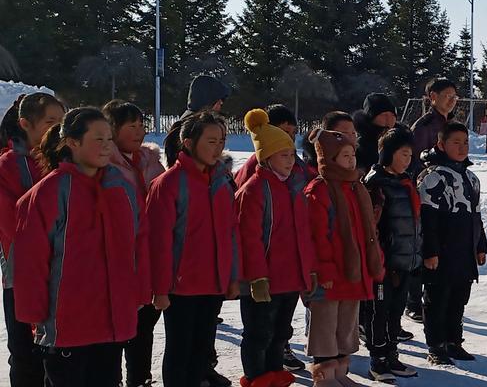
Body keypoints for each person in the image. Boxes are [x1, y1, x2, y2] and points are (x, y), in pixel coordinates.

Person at [14, 107, 150, 387]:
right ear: (72, 142)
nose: (106, 146)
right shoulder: (49, 193)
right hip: (68, 324)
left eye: (109, 139)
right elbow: (30, 262)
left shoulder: (122, 188)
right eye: (98, 139)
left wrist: (139, 292)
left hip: (112, 322)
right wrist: (35, 316)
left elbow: (139, 244)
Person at [148, 112, 241, 387]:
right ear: (188, 143)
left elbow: (231, 232)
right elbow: (158, 241)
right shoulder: (168, 184)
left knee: (202, 353)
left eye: (221, 141)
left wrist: (232, 276)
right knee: (180, 352)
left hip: (213, 282)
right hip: (180, 286)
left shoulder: (222, 182)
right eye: (211, 141)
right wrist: (160, 289)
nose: (218, 148)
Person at [235, 109, 317, 387]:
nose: (290, 161)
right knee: (259, 332)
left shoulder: (295, 187)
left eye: (292, 155)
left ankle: (274, 373)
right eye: (283, 155)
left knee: (281, 332)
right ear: (266, 157)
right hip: (265, 278)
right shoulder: (255, 189)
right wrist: (257, 277)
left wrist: (309, 270)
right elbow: (250, 238)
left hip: (290, 277)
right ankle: (257, 377)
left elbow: (303, 234)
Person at [304, 126, 383, 386]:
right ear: (328, 158)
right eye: (345, 156)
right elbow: (317, 236)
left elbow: (369, 230)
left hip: (353, 272)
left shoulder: (355, 187)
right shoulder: (320, 189)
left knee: (346, 325)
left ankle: (340, 372)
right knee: (325, 325)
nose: (351, 160)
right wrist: (323, 269)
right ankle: (323, 375)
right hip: (331, 274)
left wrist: (374, 259)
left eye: (352, 155)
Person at [102, 100, 168, 387]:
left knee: (144, 328)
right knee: (116, 331)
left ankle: (140, 379)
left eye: (142, 125)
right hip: (121, 260)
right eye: (132, 126)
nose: (139, 132)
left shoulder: (151, 161)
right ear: (112, 129)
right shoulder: (105, 165)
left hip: (152, 255)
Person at [0, 92, 63, 387]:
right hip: (24, 276)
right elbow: (13, 227)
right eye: (51, 122)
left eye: (62, 122)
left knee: (62, 355)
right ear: (25, 124)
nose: (58, 130)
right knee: (27, 356)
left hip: (66, 275)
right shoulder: (9, 165)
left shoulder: (67, 161)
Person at [417, 123, 487, 365]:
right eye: (455, 142)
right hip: (441, 252)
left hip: (464, 251)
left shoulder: (471, 178)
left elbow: (476, 215)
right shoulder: (433, 176)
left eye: (465, 142)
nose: (462, 147)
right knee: (437, 299)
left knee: (459, 298)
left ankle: (453, 341)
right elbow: (427, 220)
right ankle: (435, 346)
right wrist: (430, 251)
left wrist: (480, 245)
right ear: (441, 144)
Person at [362, 128, 422, 379]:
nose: (408, 160)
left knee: (395, 312)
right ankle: (378, 360)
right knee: (378, 313)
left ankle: (392, 356)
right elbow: (371, 227)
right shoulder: (375, 184)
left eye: (410, 155)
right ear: (387, 154)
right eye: (403, 154)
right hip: (383, 262)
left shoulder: (405, 181)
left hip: (403, 260)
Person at [406, 79, 459, 322]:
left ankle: (435, 297)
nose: (452, 99)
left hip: (449, 194)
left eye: (454, 96)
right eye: (447, 95)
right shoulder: (424, 126)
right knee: (424, 246)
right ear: (432, 97)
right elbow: (415, 163)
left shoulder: (450, 124)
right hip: (428, 194)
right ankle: (414, 302)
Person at [235, 104, 310, 189]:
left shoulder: (298, 165)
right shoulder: (253, 169)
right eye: (285, 132)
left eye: (294, 133)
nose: (291, 138)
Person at [354, 93, 402, 173]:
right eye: (384, 115)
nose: (389, 119)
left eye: (392, 115)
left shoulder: (402, 138)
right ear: (371, 117)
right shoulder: (361, 146)